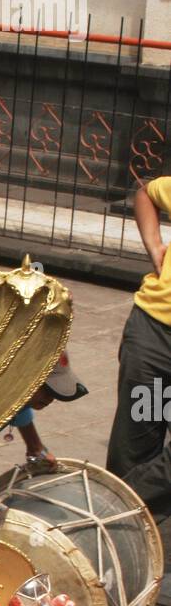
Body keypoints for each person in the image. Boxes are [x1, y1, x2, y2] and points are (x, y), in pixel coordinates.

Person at [106, 177, 171, 522]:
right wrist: (154, 245)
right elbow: (147, 192)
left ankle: (110, 508)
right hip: (154, 334)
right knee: (137, 437)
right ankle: (120, 531)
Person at [1, 351, 88, 475]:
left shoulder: (18, 396)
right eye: (47, 390)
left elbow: (21, 408)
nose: (50, 399)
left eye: (54, 393)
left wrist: (35, 446)